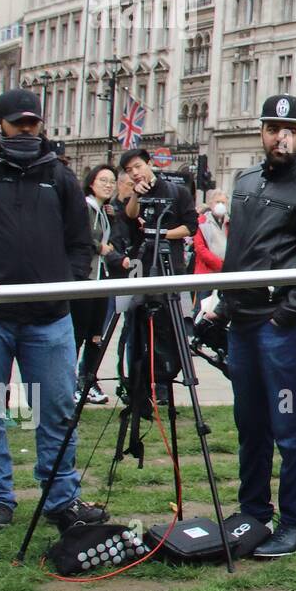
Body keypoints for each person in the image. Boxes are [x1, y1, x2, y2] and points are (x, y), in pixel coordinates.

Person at [0, 89, 109, 533]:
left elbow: (80, 242)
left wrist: (64, 285)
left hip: (49, 318)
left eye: (33, 123)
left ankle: (60, 499)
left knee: (56, 409)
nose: (27, 131)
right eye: (18, 124)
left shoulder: (60, 177)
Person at [216, 94, 296, 557]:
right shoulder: (245, 180)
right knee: (249, 423)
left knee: (290, 426)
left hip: (283, 326)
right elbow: (239, 251)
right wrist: (226, 305)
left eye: (290, 130)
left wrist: (286, 313)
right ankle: (253, 512)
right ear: (262, 131)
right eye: (272, 128)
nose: (280, 137)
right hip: (242, 322)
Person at [118, 148, 196, 404]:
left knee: (167, 327)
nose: (135, 173)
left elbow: (190, 226)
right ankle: (135, 383)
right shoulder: (137, 193)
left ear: (149, 163)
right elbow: (130, 218)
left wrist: (161, 233)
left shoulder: (177, 192)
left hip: (169, 265)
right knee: (136, 325)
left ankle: (163, 382)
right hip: (142, 266)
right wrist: (134, 196)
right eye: (130, 171)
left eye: (138, 166)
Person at [71, 164, 128, 404]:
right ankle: (70, 381)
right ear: (91, 182)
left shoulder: (106, 211)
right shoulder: (85, 207)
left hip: (100, 279)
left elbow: (112, 241)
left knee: (96, 335)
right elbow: (79, 237)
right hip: (84, 278)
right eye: (103, 180)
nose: (108, 184)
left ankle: (88, 380)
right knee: (78, 334)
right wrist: (101, 248)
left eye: (112, 181)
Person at [194, 189, 230, 276]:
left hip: (226, 272)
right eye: (217, 202)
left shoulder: (230, 223)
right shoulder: (201, 222)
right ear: (211, 204)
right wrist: (220, 265)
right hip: (206, 272)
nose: (220, 205)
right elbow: (201, 249)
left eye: (223, 202)